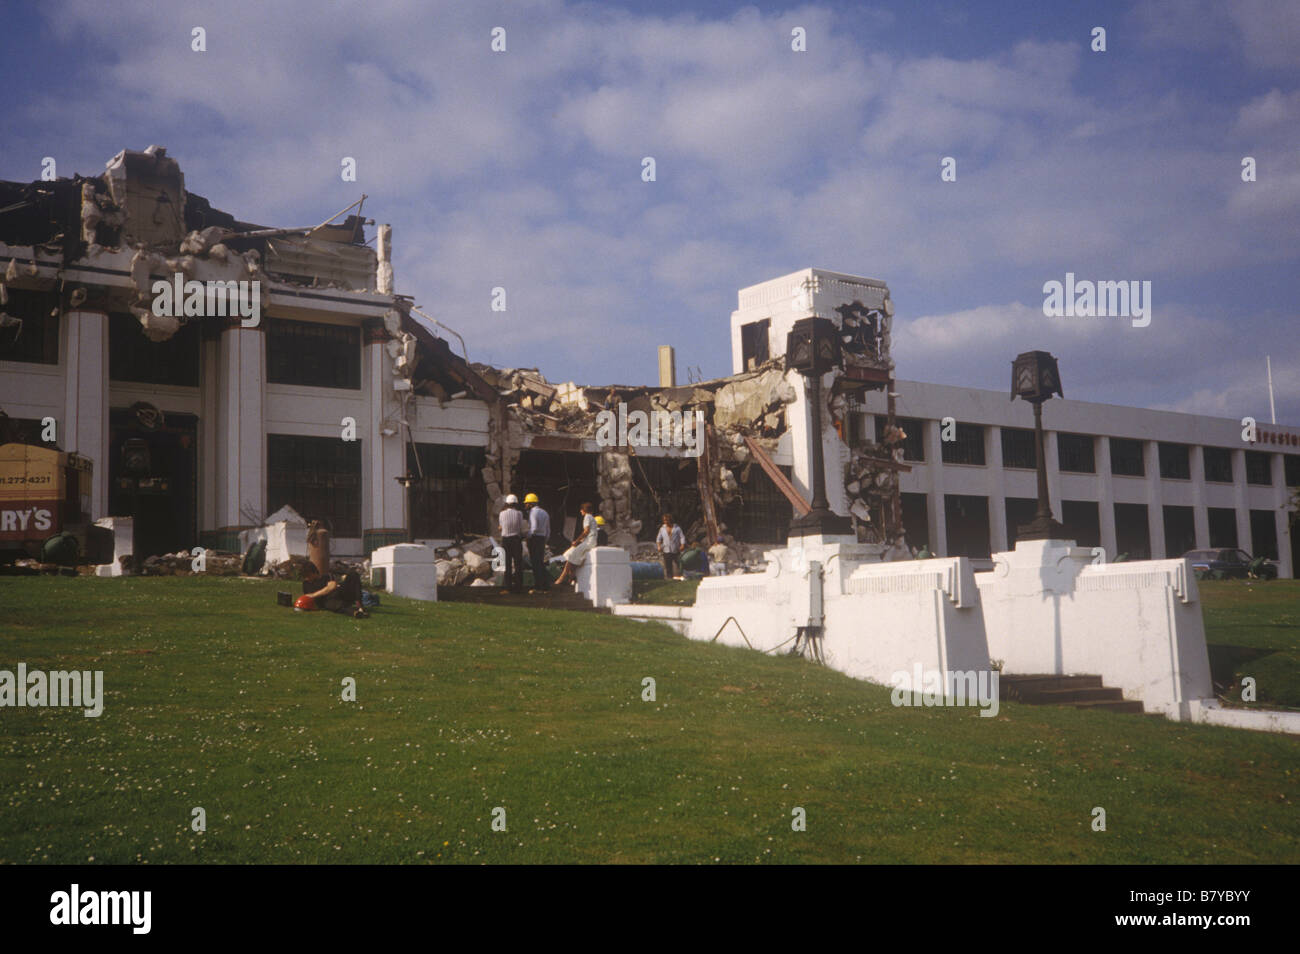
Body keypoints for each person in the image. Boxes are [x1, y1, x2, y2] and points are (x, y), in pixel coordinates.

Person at [554, 501, 597, 587]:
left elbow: (586, 531)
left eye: (581, 510)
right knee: (570, 553)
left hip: (588, 543)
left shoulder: (587, 517)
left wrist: (576, 541)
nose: (580, 511)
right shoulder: (592, 518)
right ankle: (571, 577)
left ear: (584, 510)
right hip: (590, 542)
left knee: (571, 556)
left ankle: (562, 578)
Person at [302, 567, 367, 618]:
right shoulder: (306, 584)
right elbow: (307, 597)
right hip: (327, 600)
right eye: (304, 575)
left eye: (307, 575)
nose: (306, 577)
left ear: (314, 573)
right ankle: (355, 612)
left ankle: (359, 605)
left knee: (353, 574)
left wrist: (314, 594)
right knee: (332, 603)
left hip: (339, 592)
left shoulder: (326, 577)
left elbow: (332, 586)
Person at [524, 492, 551, 594]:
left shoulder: (533, 513)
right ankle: (545, 586)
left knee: (535, 563)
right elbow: (548, 529)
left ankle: (538, 586)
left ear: (531, 504)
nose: (525, 505)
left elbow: (534, 528)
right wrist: (545, 540)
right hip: (542, 539)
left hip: (534, 539)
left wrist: (528, 536)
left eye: (527, 503)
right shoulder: (545, 513)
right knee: (540, 562)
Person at [499, 493, 525, 594]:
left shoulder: (502, 514)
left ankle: (508, 587)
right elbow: (519, 527)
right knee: (518, 563)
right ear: (515, 503)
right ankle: (519, 587)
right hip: (516, 539)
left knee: (507, 563)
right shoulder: (519, 513)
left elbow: (501, 526)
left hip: (506, 540)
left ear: (507, 503)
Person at [656, 513, 686, 580]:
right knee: (668, 565)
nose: (666, 522)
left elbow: (682, 537)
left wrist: (682, 545)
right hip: (666, 550)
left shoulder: (677, 528)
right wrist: (659, 546)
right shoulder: (662, 529)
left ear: (670, 520)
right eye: (664, 520)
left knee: (679, 564)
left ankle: (682, 576)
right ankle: (670, 578)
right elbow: (658, 539)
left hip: (676, 549)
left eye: (667, 520)